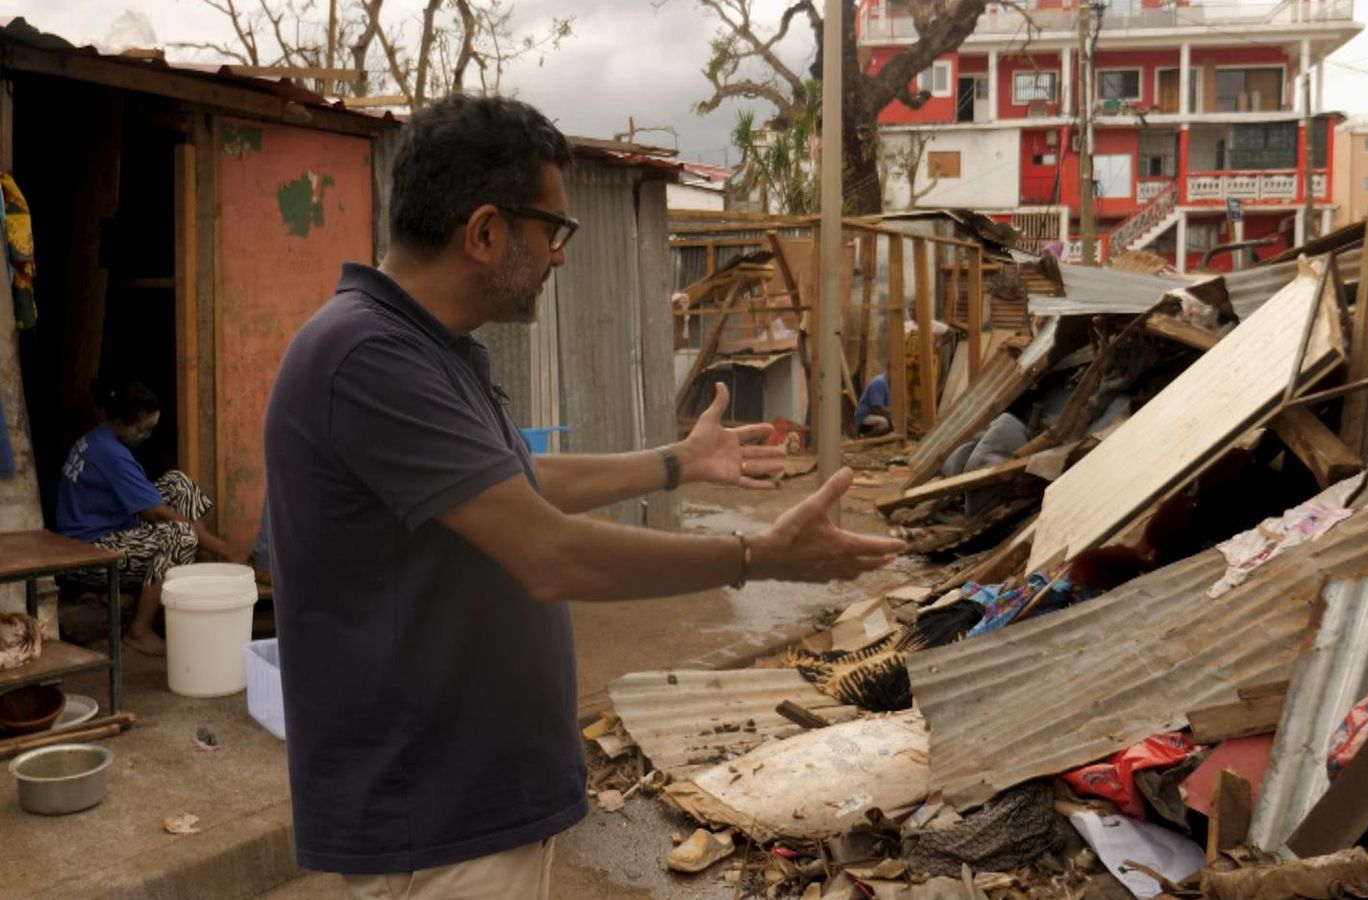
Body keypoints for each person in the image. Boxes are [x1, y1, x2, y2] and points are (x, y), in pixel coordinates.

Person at [263, 95, 905, 899]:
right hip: (429, 814)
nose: (560, 256)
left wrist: (675, 463)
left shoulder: (432, 349)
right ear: (487, 231)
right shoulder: (365, 355)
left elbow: (512, 484)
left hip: (468, 801)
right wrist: (758, 556)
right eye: (553, 231)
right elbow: (547, 552)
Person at [55, 381, 238, 656]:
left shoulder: (99, 438)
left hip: (109, 527)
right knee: (181, 536)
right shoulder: (112, 455)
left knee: (178, 483)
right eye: (141, 429)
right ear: (117, 421)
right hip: (87, 552)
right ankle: (140, 631)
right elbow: (154, 512)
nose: (146, 436)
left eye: (151, 429)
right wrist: (223, 549)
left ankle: (187, 582)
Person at [854, 373, 892, 438]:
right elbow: (875, 409)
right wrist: (893, 413)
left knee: (892, 421)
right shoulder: (879, 382)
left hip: (873, 415)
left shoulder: (888, 383)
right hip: (864, 417)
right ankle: (865, 440)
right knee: (884, 423)